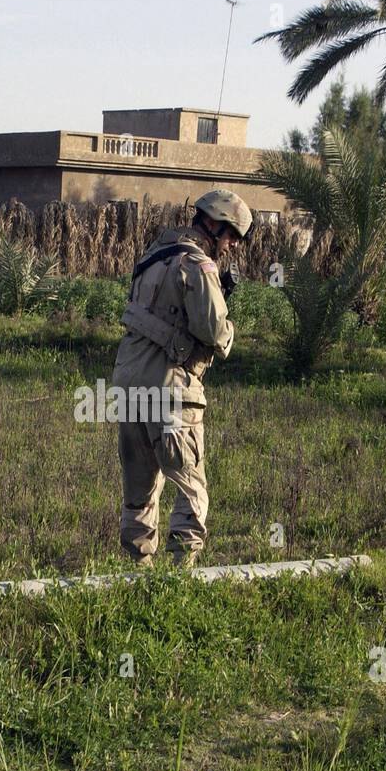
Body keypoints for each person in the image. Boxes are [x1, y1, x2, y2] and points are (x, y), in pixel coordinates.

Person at [111, 189, 251, 566]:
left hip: (128, 386)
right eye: (232, 235)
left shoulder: (152, 256)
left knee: (140, 490)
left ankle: (138, 570)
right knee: (191, 487)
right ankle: (180, 576)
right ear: (213, 225)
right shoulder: (198, 264)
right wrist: (228, 325)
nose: (234, 245)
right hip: (170, 390)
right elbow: (214, 333)